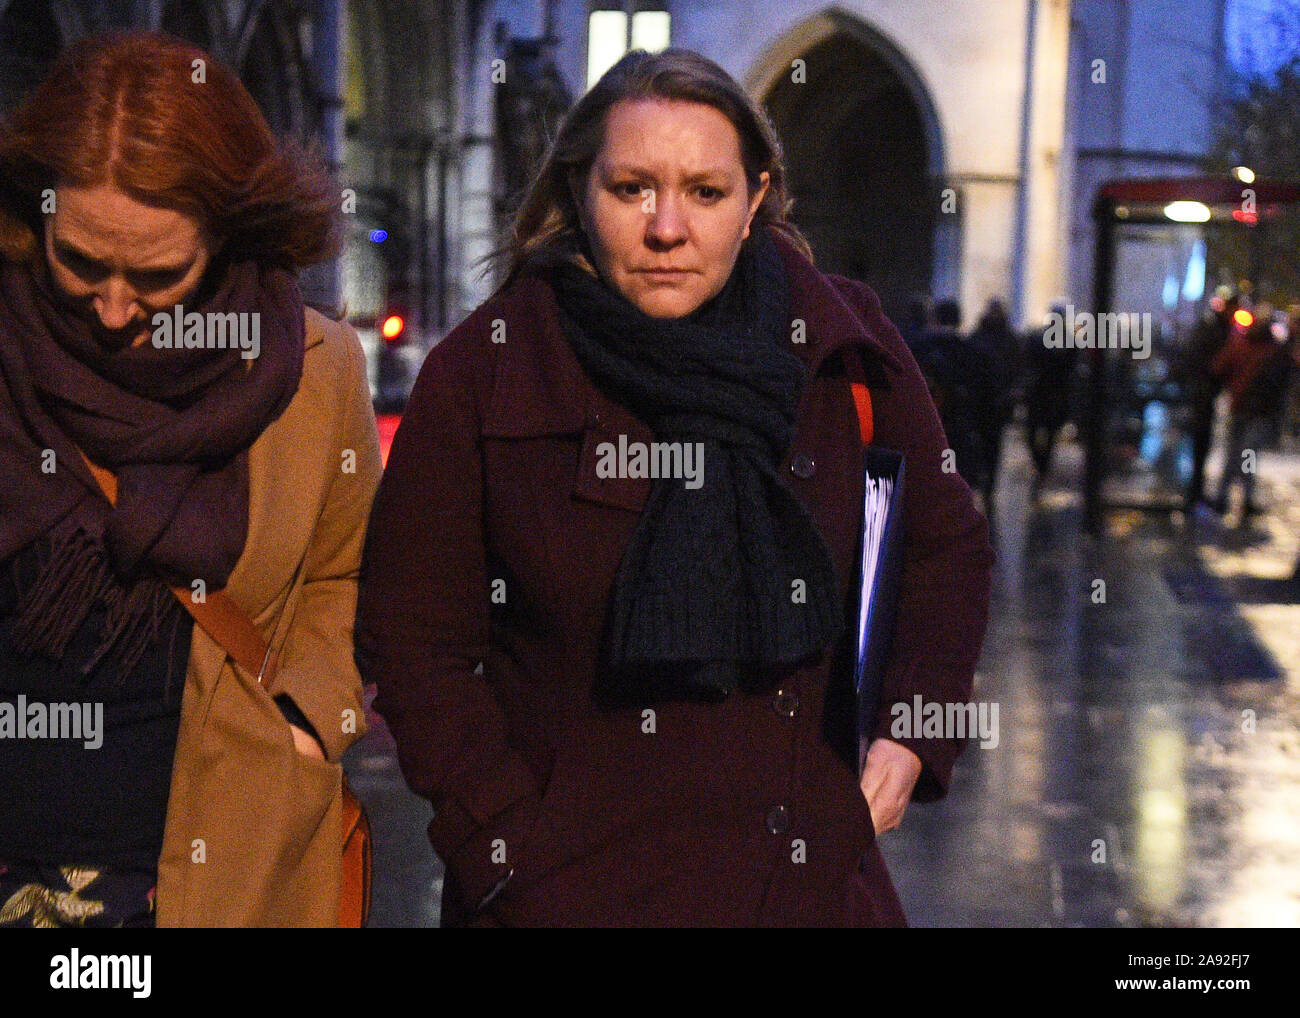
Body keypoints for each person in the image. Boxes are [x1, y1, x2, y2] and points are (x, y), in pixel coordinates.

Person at [355, 47, 993, 927]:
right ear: (581, 189)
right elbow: (413, 639)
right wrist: (505, 845)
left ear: (756, 197)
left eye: (705, 191)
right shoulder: (490, 366)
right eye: (631, 189)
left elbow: (947, 548)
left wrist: (910, 738)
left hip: (801, 888)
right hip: (561, 898)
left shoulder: (838, 343)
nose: (666, 228)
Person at [0, 33, 381, 926]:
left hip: (210, 867)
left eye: (159, 274)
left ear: (229, 236)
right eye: (80, 262)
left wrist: (312, 720)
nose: (116, 309)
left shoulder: (313, 371)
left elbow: (348, 577)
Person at [1211, 304, 1285, 518]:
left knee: (1238, 454)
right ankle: (1241, 498)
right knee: (1245, 454)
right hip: (1253, 410)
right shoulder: (1271, 349)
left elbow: (1219, 367)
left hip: (1244, 408)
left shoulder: (1245, 345)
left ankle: (1227, 497)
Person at [1182, 294, 1237, 509]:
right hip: (1203, 395)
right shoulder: (1214, 330)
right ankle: (1194, 491)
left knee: (1202, 444)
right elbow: (1212, 364)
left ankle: (1195, 490)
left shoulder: (1212, 327)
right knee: (1201, 443)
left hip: (1204, 394)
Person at [1024, 305, 1079, 500]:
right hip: (1046, 396)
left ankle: (1041, 468)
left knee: (1044, 434)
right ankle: (1041, 467)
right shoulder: (1046, 339)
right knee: (1038, 434)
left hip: (1049, 396)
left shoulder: (1063, 340)